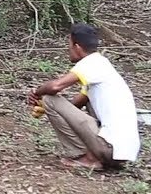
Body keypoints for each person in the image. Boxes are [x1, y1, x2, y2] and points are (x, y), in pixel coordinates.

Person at [27, 22, 141, 171]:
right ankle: (95, 156)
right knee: (53, 102)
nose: (69, 51)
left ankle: (87, 157)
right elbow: (76, 105)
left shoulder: (92, 63)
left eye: (69, 47)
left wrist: (37, 92)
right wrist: (47, 109)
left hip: (109, 148)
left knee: (50, 98)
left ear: (77, 47)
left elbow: (55, 86)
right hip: (121, 153)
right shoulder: (102, 66)